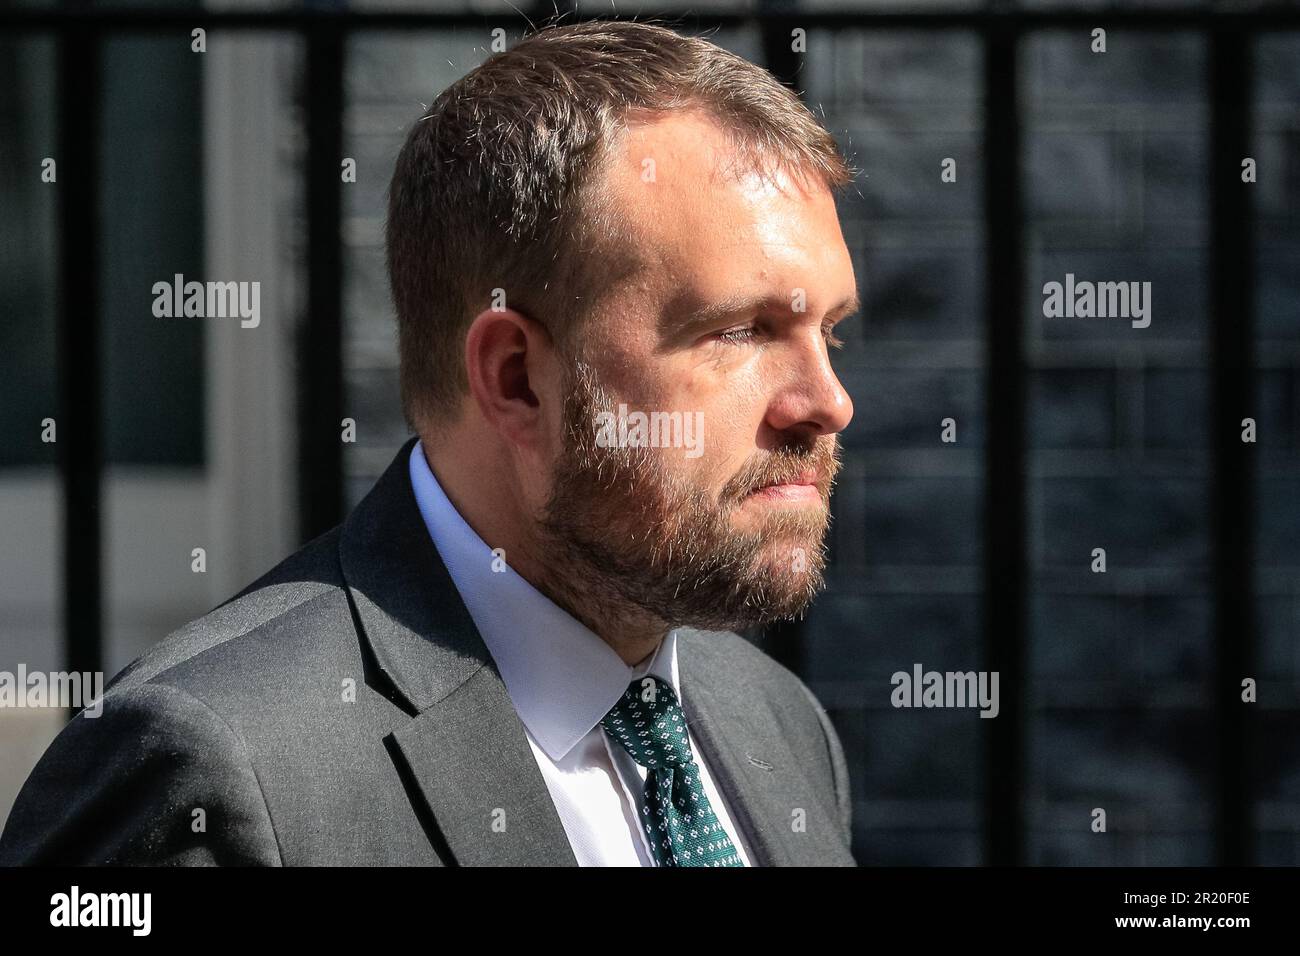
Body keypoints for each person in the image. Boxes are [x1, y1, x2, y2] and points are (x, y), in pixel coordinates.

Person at [0, 18, 860, 866]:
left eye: (832, 331)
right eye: (741, 331)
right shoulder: (219, 774)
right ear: (517, 378)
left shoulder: (776, 725)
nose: (828, 401)